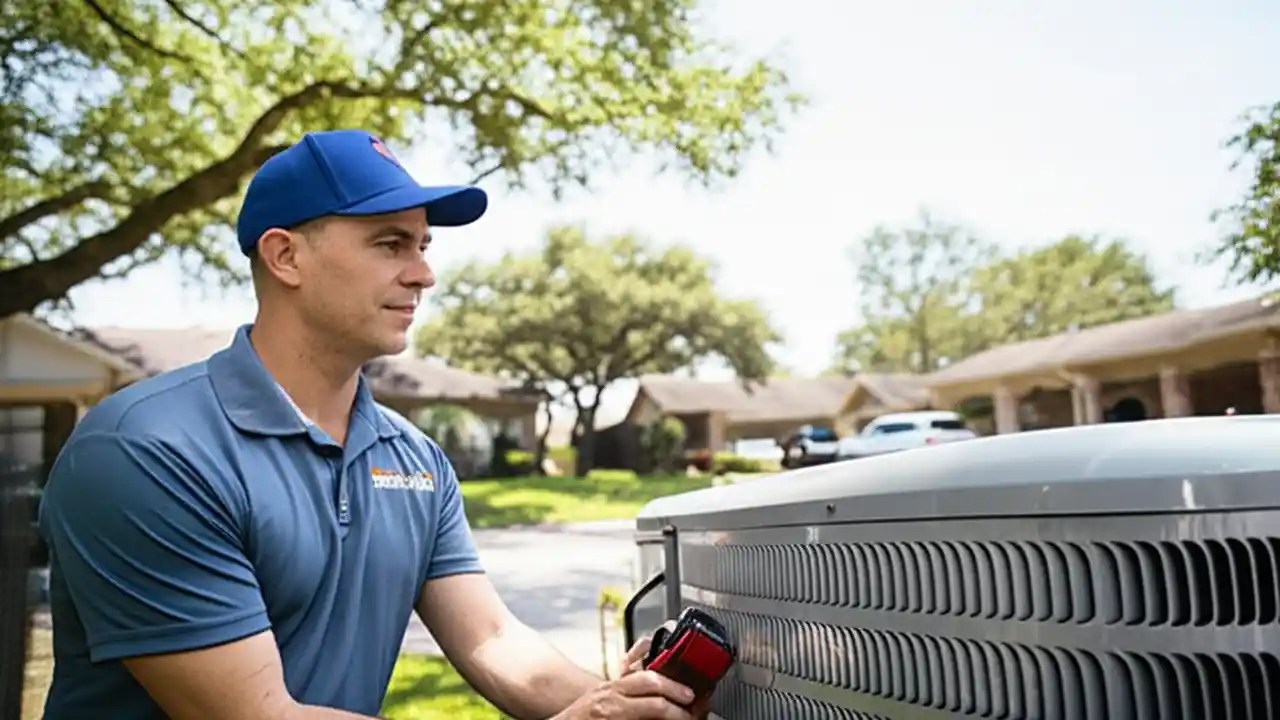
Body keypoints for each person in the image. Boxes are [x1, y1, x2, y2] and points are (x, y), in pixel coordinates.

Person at [37, 129, 708, 719]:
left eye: (422, 244)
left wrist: (619, 706)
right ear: (285, 256)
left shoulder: (412, 457)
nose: (424, 274)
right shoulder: (145, 451)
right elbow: (258, 715)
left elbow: (492, 640)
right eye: (391, 244)